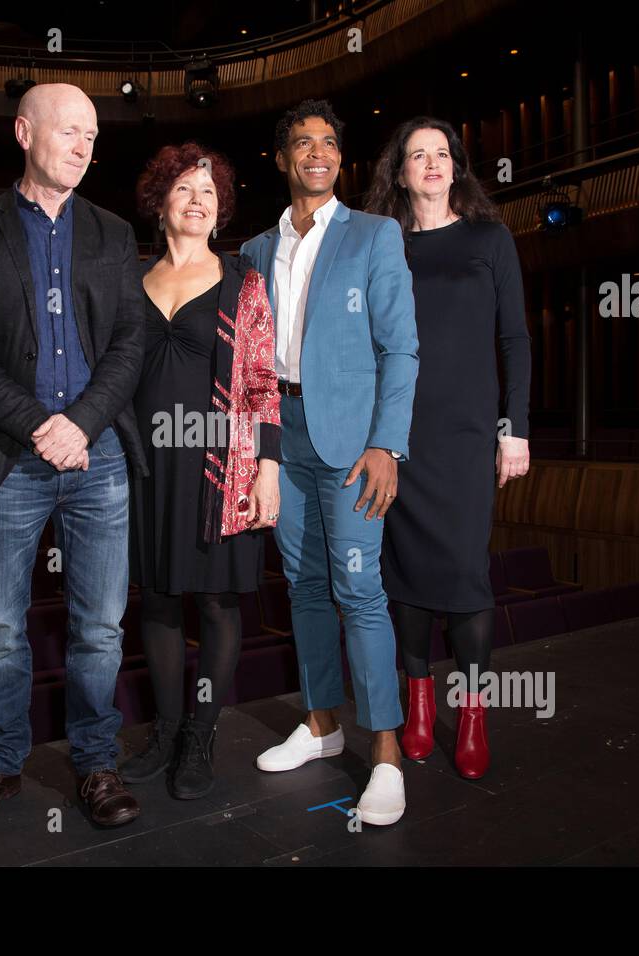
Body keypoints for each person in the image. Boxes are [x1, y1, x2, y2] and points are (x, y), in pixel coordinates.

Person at [0, 83, 147, 830]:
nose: (86, 147)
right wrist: (40, 426)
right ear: (24, 132)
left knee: (100, 628)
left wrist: (81, 425)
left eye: (93, 135)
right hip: (10, 461)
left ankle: (96, 762)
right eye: (70, 131)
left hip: (100, 460)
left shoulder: (114, 233)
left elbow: (129, 344)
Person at [240, 99, 419, 826]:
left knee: (359, 591)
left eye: (328, 143)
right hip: (284, 431)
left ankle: (385, 753)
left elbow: (400, 348)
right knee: (304, 588)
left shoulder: (376, 236)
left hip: (353, 440)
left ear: (339, 160)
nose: (317, 152)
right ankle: (321, 724)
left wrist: (387, 443)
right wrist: (258, 452)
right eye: (301, 143)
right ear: (282, 160)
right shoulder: (254, 250)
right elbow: (249, 363)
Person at [364, 116, 531, 779]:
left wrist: (513, 428)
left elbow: (514, 339)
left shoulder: (490, 240)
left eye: (442, 154)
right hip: (400, 435)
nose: (431, 164)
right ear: (400, 172)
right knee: (404, 576)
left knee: (465, 578)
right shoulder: (384, 245)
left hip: (465, 437)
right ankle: (420, 708)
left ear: (457, 167)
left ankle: (472, 716)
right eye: (417, 155)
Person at [118, 143, 281, 799]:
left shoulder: (243, 282)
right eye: (184, 189)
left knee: (215, 603)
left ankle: (201, 734)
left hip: (222, 463)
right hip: (143, 464)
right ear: (161, 202)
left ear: (220, 211)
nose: (196, 200)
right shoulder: (128, 281)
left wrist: (268, 468)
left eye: (208, 193)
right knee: (155, 597)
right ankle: (166, 730)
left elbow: (265, 383)